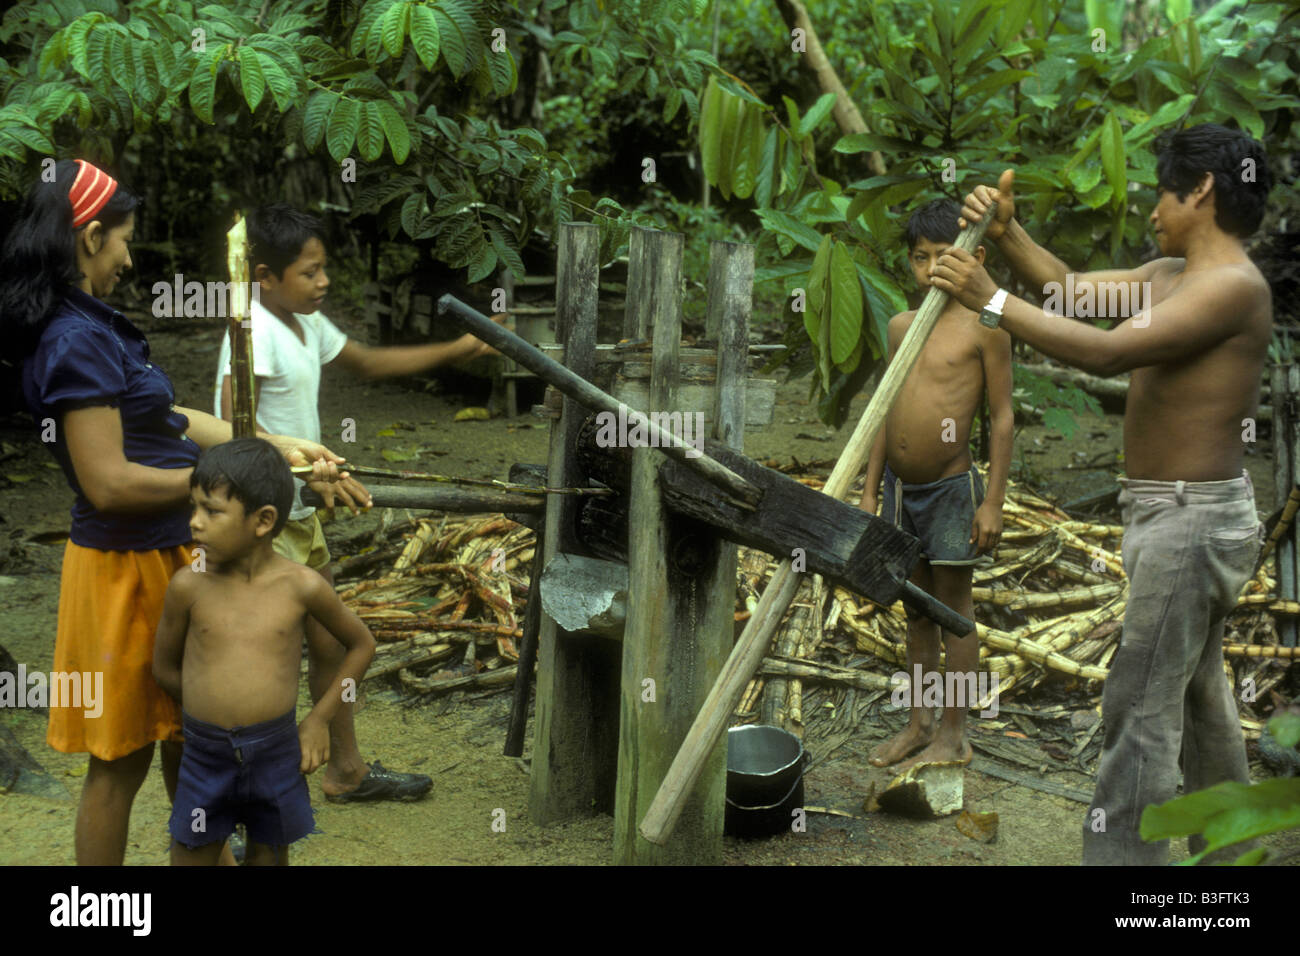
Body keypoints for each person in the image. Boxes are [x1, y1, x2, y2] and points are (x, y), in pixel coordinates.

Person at [0, 159, 349, 865]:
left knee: (192, 744)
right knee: (120, 761)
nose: (130, 257)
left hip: (166, 552)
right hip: (123, 571)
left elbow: (167, 418)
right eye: (125, 240)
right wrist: (230, 483)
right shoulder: (74, 340)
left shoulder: (92, 325)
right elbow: (109, 483)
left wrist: (268, 446)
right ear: (91, 235)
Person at [940, 123, 1273, 865]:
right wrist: (1008, 231)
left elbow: (1107, 351)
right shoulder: (1171, 274)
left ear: (1203, 190)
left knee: (1141, 710)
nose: (1153, 208)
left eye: (1162, 191)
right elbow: (1071, 294)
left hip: (1190, 522)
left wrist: (989, 299)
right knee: (1198, 703)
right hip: (1177, 517)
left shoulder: (1230, 288)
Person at [213, 202, 502, 801]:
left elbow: (367, 362)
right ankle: (228, 807)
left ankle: (346, 771)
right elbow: (230, 431)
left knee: (331, 642)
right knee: (255, 661)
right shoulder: (250, 335)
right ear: (263, 277)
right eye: (309, 272)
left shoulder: (304, 324)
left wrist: (458, 350)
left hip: (299, 511)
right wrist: (301, 464)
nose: (323, 283)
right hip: (262, 521)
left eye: (324, 270)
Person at [153, 438, 376, 865]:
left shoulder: (302, 586)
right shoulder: (187, 586)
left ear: (263, 521)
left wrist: (318, 720)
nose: (195, 524)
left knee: (269, 855)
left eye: (212, 511)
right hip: (204, 754)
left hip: (277, 753)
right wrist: (208, 708)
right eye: (193, 508)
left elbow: (361, 644)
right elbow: (163, 668)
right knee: (190, 851)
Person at [858, 198, 1013, 771]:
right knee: (916, 609)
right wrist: (872, 490)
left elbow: (1001, 418)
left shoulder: (986, 329)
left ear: (972, 257)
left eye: (943, 257)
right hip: (901, 489)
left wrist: (992, 500)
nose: (930, 270)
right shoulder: (900, 327)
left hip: (950, 490)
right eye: (920, 258)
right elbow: (883, 409)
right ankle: (919, 723)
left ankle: (955, 731)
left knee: (953, 610)